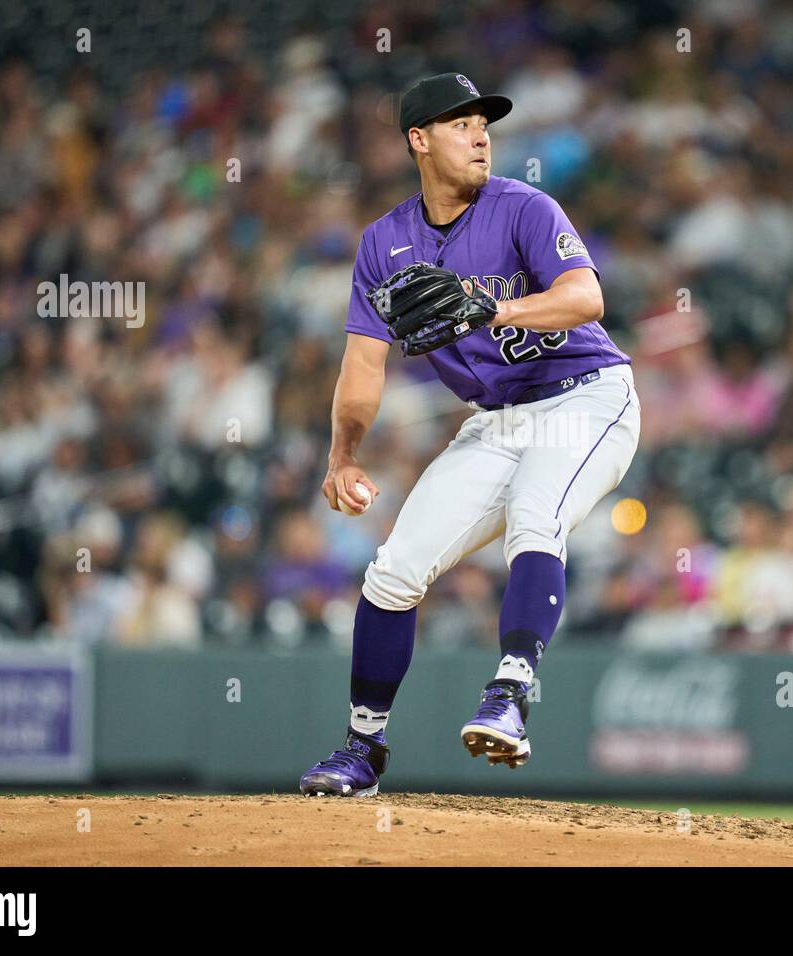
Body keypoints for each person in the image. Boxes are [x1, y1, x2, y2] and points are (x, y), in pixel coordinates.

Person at [299, 73, 641, 796]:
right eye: (461, 124)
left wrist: (494, 310)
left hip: (586, 397)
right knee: (393, 571)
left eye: (484, 124)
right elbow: (363, 363)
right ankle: (362, 749)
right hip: (496, 420)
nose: (481, 136)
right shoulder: (383, 242)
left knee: (536, 516)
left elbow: (587, 297)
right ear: (418, 140)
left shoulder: (523, 207)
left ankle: (510, 694)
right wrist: (342, 455)